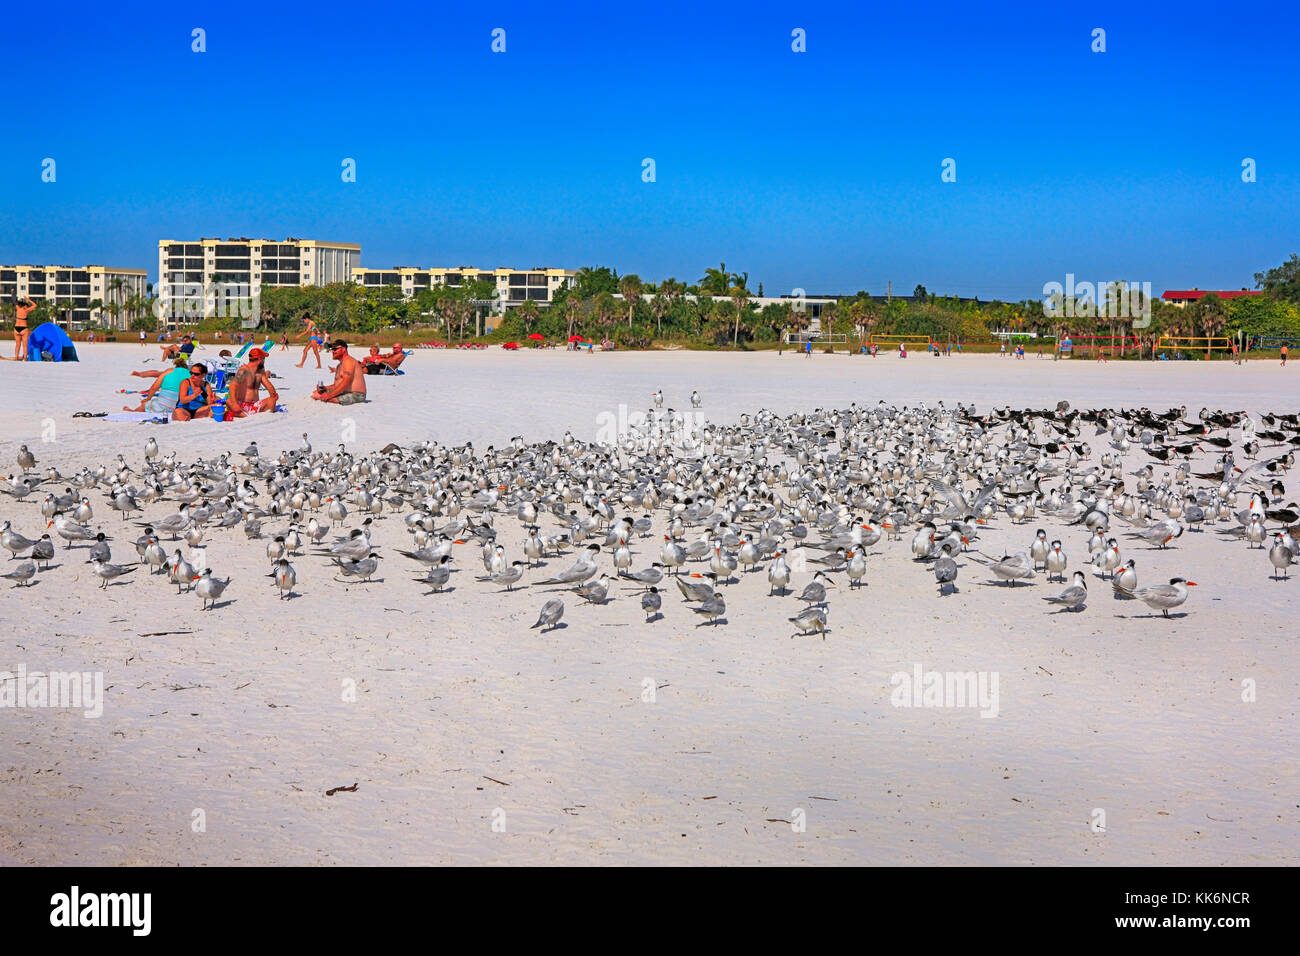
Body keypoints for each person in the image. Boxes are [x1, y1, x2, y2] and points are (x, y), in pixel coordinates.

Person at [124, 357, 189, 414]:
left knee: (145, 405)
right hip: (180, 407)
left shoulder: (169, 371)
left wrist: (147, 400)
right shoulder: (190, 374)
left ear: (176, 365)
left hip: (163, 405)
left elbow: (154, 387)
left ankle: (133, 412)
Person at [227, 347, 278, 417]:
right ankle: (243, 414)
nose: (264, 361)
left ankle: (245, 415)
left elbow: (268, 385)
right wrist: (235, 403)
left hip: (255, 405)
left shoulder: (260, 371)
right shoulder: (244, 370)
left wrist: (273, 395)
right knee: (229, 401)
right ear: (259, 359)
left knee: (272, 401)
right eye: (263, 359)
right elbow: (233, 385)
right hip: (242, 405)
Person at [312, 340, 366, 405]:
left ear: (343, 349)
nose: (333, 351)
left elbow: (346, 381)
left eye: (335, 349)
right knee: (316, 393)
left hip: (356, 395)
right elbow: (337, 385)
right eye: (332, 349)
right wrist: (325, 388)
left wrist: (330, 395)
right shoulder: (339, 365)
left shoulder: (348, 361)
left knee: (320, 396)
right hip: (344, 392)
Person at [11, 296, 36, 360]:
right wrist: (28, 300)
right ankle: (25, 358)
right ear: (24, 306)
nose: (27, 307)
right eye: (27, 306)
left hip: (16, 329)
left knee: (17, 345)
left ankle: (16, 357)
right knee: (25, 345)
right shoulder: (26, 310)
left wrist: (12, 293)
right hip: (24, 329)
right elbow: (35, 305)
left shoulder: (18, 309)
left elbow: (14, 300)